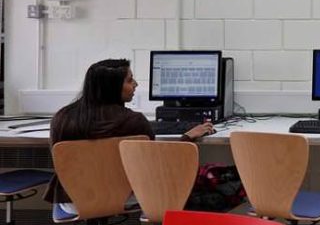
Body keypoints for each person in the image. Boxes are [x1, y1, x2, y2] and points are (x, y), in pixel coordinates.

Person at [47, 58, 214, 205]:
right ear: (112, 87)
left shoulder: (62, 118)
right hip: (125, 197)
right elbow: (157, 165)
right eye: (129, 80)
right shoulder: (133, 122)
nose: (135, 84)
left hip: (72, 199)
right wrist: (187, 137)